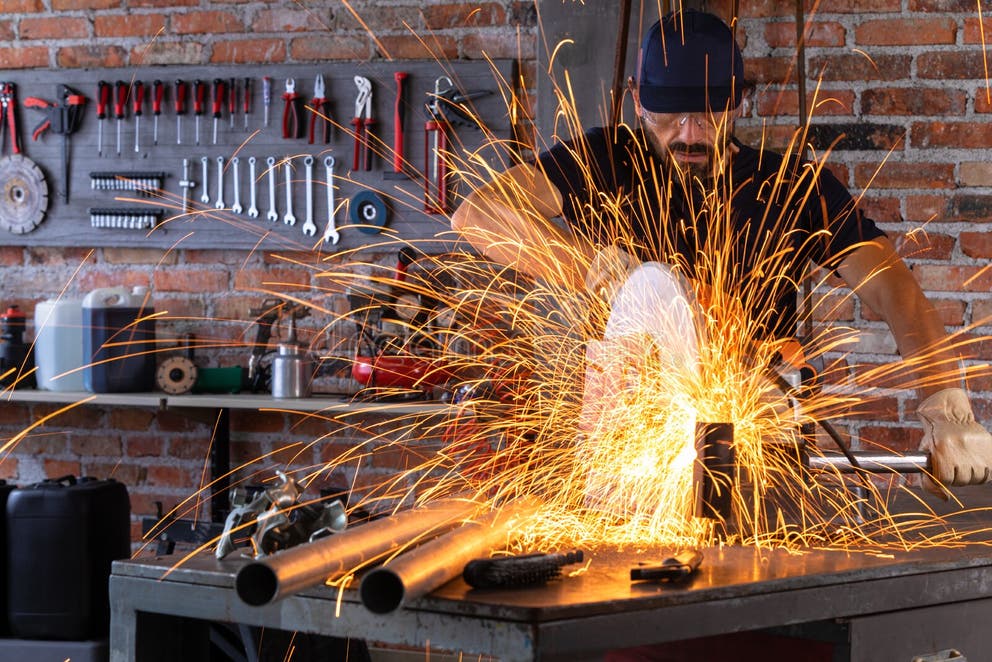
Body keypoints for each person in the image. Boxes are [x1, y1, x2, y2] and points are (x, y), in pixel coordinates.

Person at [451, 9, 992, 495]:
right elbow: (477, 213)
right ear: (638, 99)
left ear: (739, 102)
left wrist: (947, 404)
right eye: (670, 116)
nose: (690, 134)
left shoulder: (792, 188)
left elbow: (894, 291)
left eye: (709, 115)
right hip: (627, 444)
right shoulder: (606, 159)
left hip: (763, 444)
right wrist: (592, 269)